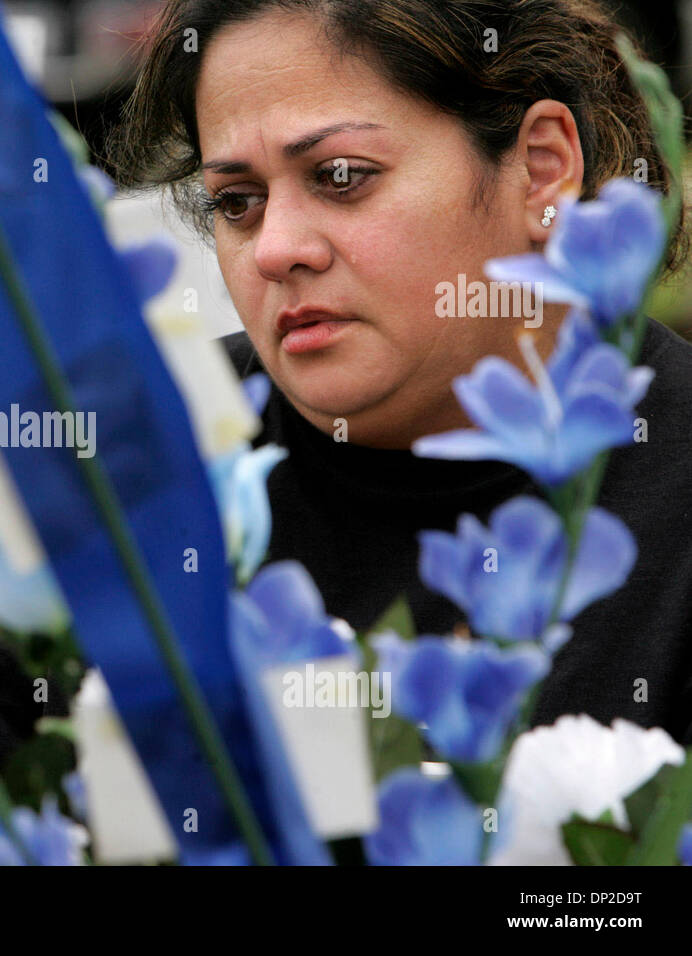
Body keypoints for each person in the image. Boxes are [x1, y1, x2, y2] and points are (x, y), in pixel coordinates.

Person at [110, 0, 692, 743]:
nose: (274, 249)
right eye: (238, 201)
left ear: (542, 169)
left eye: (341, 175)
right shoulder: (132, 461)